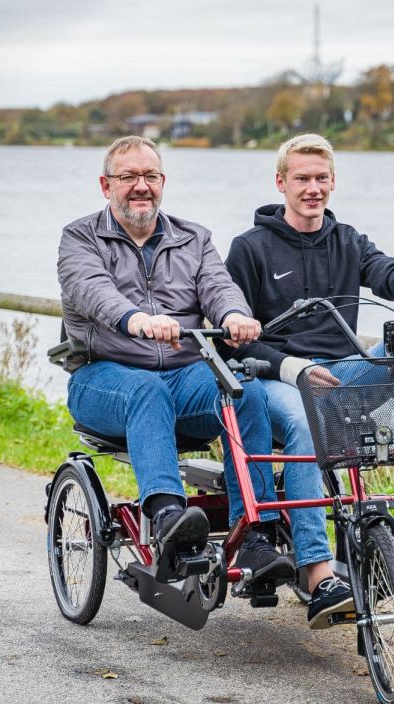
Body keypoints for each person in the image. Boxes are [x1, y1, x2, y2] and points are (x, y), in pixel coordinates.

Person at [220, 133, 394, 619]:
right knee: (305, 425)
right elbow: (234, 336)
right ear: (281, 182)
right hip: (277, 377)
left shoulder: (347, 240)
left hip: (340, 373)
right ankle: (318, 575)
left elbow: (392, 274)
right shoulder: (249, 248)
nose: (313, 189)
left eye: (321, 178)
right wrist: (292, 367)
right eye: (302, 179)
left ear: (334, 181)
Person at [57, 135, 295, 585]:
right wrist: (137, 320)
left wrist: (234, 315)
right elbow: (92, 291)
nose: (140, 186)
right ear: (106, 185)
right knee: (146, 390)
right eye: (128, 176)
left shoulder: (194, 238)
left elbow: (218, 287)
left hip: (183, 376)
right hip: (102, 376)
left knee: (243, 391)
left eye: (150, 176)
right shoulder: (79, 238)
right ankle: (169, 518)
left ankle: (256, 534)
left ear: (162, 182)